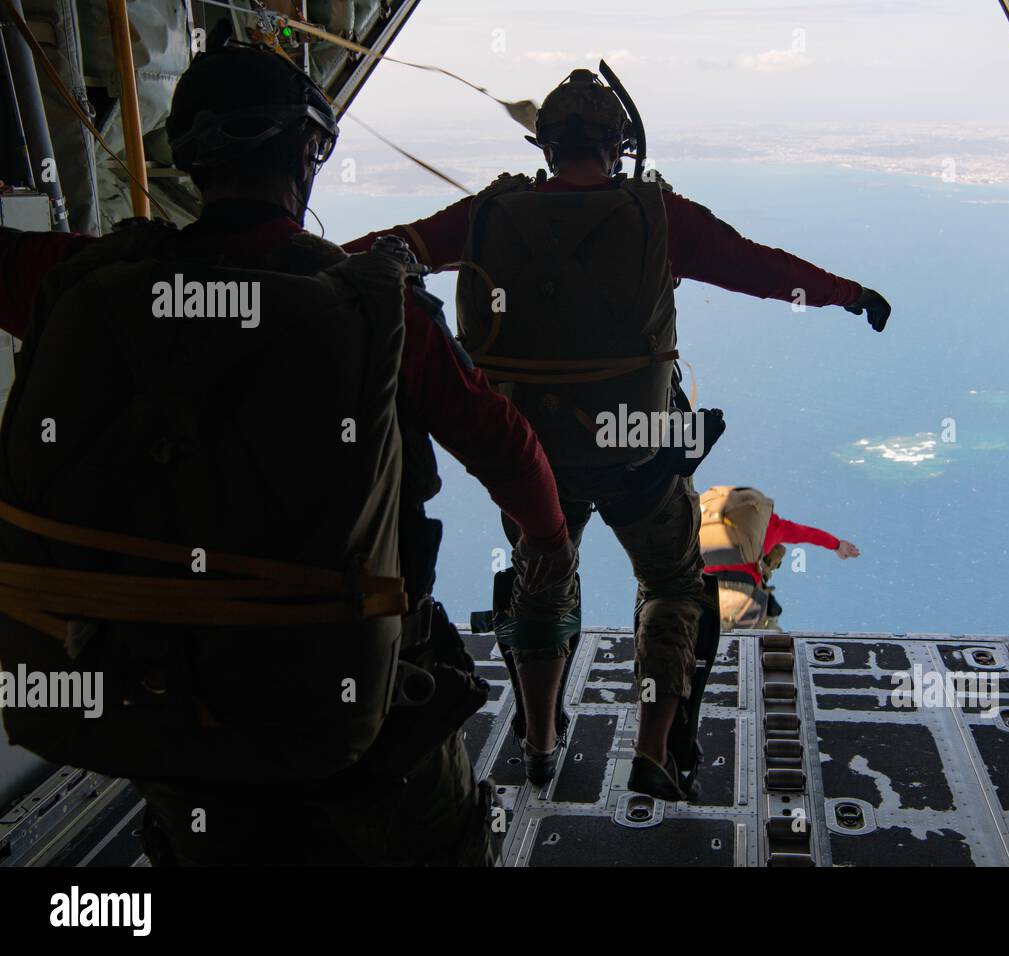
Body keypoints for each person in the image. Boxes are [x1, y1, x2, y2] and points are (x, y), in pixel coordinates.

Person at [0, 29, 575, 865]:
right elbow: (509, 450)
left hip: (164, 713)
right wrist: (549, 548)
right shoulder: (375, 312)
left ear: (192, 159)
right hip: (358, 726)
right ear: (309, 150)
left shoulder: (80, 285)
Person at [346, 67, 891, 800]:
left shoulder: (486, 215)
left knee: (540, 588)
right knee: (672, 586)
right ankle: (656, 748)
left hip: (527, 459)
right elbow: (760, 268)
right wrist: (848, 294)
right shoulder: (660, 216)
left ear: (548, 146)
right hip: (638, 455)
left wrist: (275, 274)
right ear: (617, 145)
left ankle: (540, 742)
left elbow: (378, 256)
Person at [699, 486, 859, 631]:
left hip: (701, 590)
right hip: (743, 595)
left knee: (698, 644)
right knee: (764, 643)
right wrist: (837, 545)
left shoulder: (700, 521)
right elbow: (807, 534)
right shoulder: (770, 525)